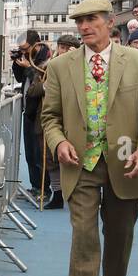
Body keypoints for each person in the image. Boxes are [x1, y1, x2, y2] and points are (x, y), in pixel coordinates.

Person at [40, 0, 138, 276]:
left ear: (110, 23)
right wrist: (58, 142)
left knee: (120, 233)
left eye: (91, 19)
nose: (84, 27)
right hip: (80, 163)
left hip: (125, 163)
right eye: (79, 21)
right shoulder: (61, 67)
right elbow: (49, 117)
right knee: (83, 236)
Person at [42, 33, 82, 209]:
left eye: (68, 48)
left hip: (76, 117)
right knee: (52, 157)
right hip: (55, 117)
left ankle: (78, 192)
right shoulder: (51, 65)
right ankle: (57, 192)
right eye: (62, 47)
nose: (64, 51)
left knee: (77, 155)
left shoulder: (82, 64)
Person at [12, 29, 47, 197]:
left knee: (40, 154)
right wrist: (17, 63)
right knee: (30, 154)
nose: (24, 52)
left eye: (26, 48)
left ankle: (44, 189)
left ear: (37, 44)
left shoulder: (47, 59)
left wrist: (29, 67)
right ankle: (35, 187)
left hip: (40, 112)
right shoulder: (27, 57)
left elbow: (40, 81)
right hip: (28, 110)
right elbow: (21, 80)